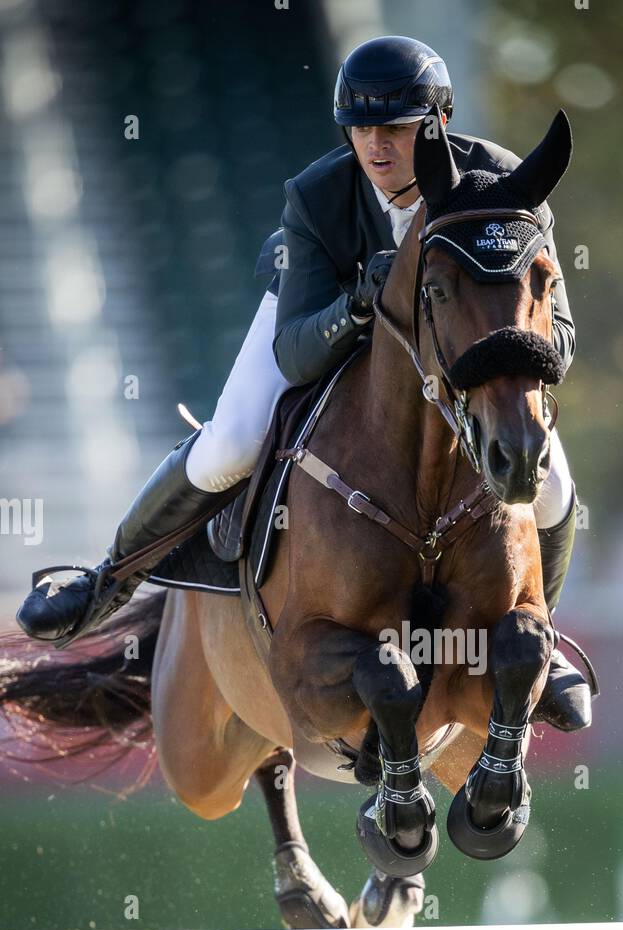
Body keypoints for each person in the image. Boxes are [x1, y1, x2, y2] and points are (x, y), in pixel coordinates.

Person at [17, 35, 589, 730]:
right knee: (231, 441)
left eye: (395, 128)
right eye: (360, 128)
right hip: (321, 320)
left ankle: (543, 640)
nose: (374, 147)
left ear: (435, 125)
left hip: (454, 359)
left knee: (553, 483)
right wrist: (359, 306)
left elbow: (557, 328)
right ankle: (108, 580)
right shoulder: (319, 197)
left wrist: (501, 352)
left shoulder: (504, 184)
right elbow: (292, 353)